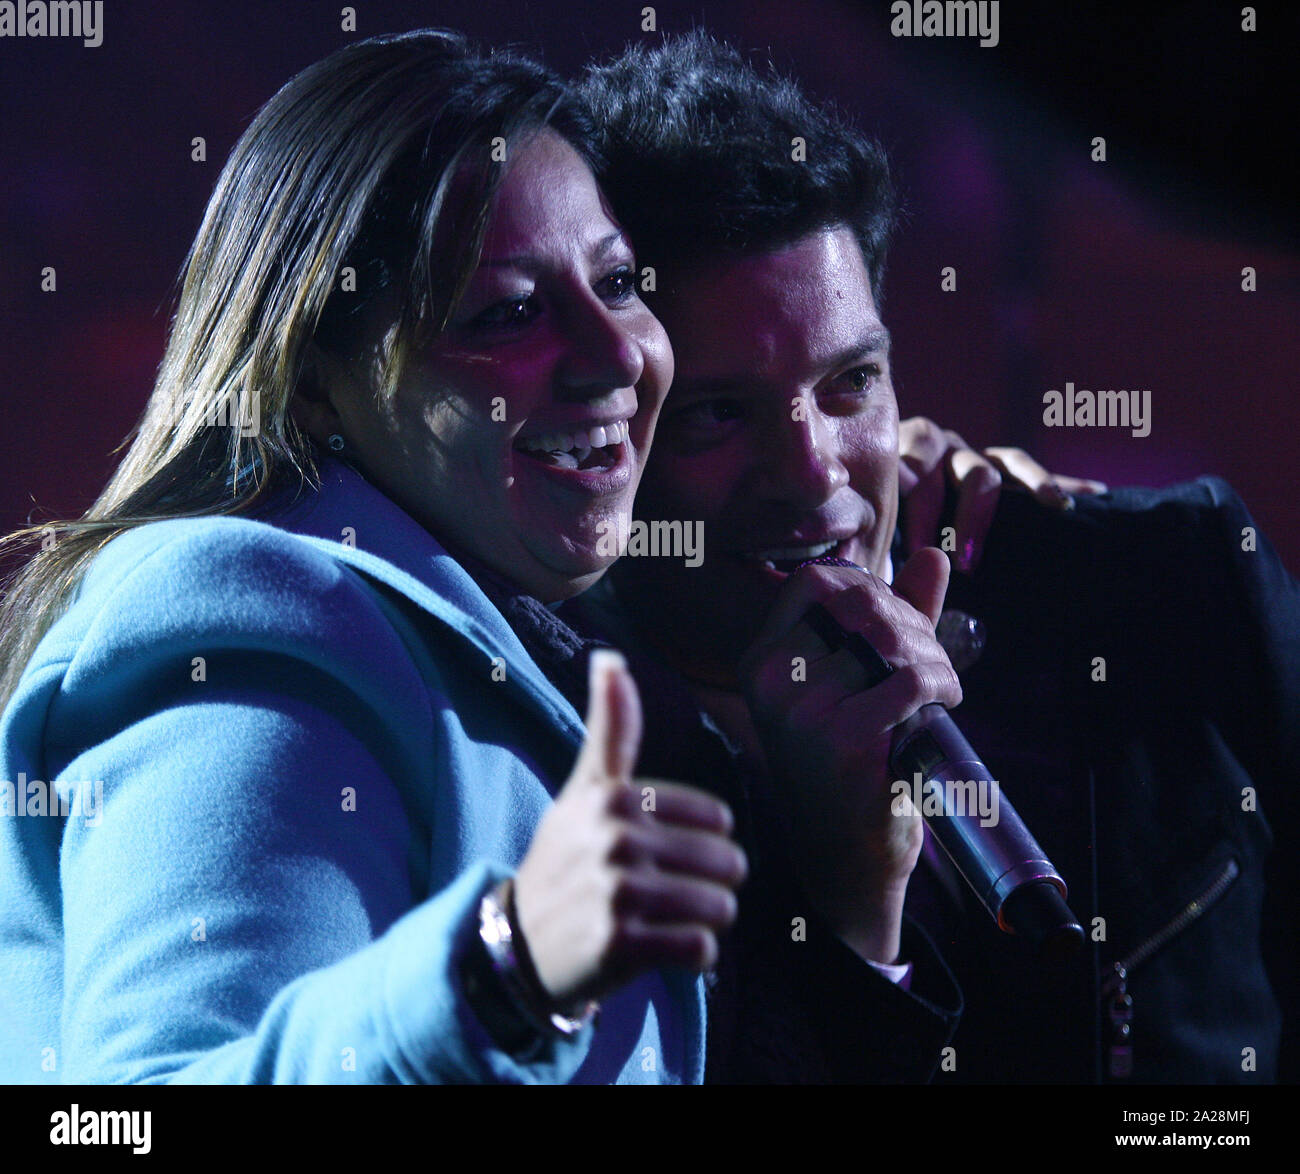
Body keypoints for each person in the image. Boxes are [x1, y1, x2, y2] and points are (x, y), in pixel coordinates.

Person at [0, 29, 750, 1085]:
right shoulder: (253, 617)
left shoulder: (506, 625)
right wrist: (503, 968)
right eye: (510, 312)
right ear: (312, 381)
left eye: (619, 282)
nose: (617, 351)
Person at [573, 32, 1299, 1083]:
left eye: (849, 383)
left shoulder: (1162, 583)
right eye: (716, 415)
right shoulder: (582, 781)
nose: (812, 468)